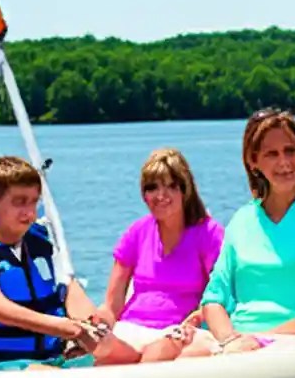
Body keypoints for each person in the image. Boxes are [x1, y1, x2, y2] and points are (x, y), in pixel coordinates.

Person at [200, 107, 295, 356]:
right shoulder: (242, 220)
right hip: (241, 341)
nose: (285, 162)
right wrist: (230, 340)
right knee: (169, 354)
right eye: (272, 154)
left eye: (291, 150)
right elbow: (214, 297)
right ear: (254, 162)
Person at [0, 155, 110, 372]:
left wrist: (92, 322)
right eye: (19, 202)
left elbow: (68, 289)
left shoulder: (42, 243)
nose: (29, 212)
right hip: (1, 364)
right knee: (56, 377)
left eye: (33, 201)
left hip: (53, 355)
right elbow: (0, 309)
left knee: (117, 359)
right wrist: (63, 327)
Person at [92, 148, 224, 364]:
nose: (161, 196)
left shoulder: (208, 233)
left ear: (185, 190)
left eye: (171, 186)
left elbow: (221, 292)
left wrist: (197, 319)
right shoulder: (137, 233)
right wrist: (99, 325)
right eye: (152, 187)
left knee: (155, 355)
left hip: (181, 331)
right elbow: (111, 304)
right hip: (131, 328)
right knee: (105, 357)